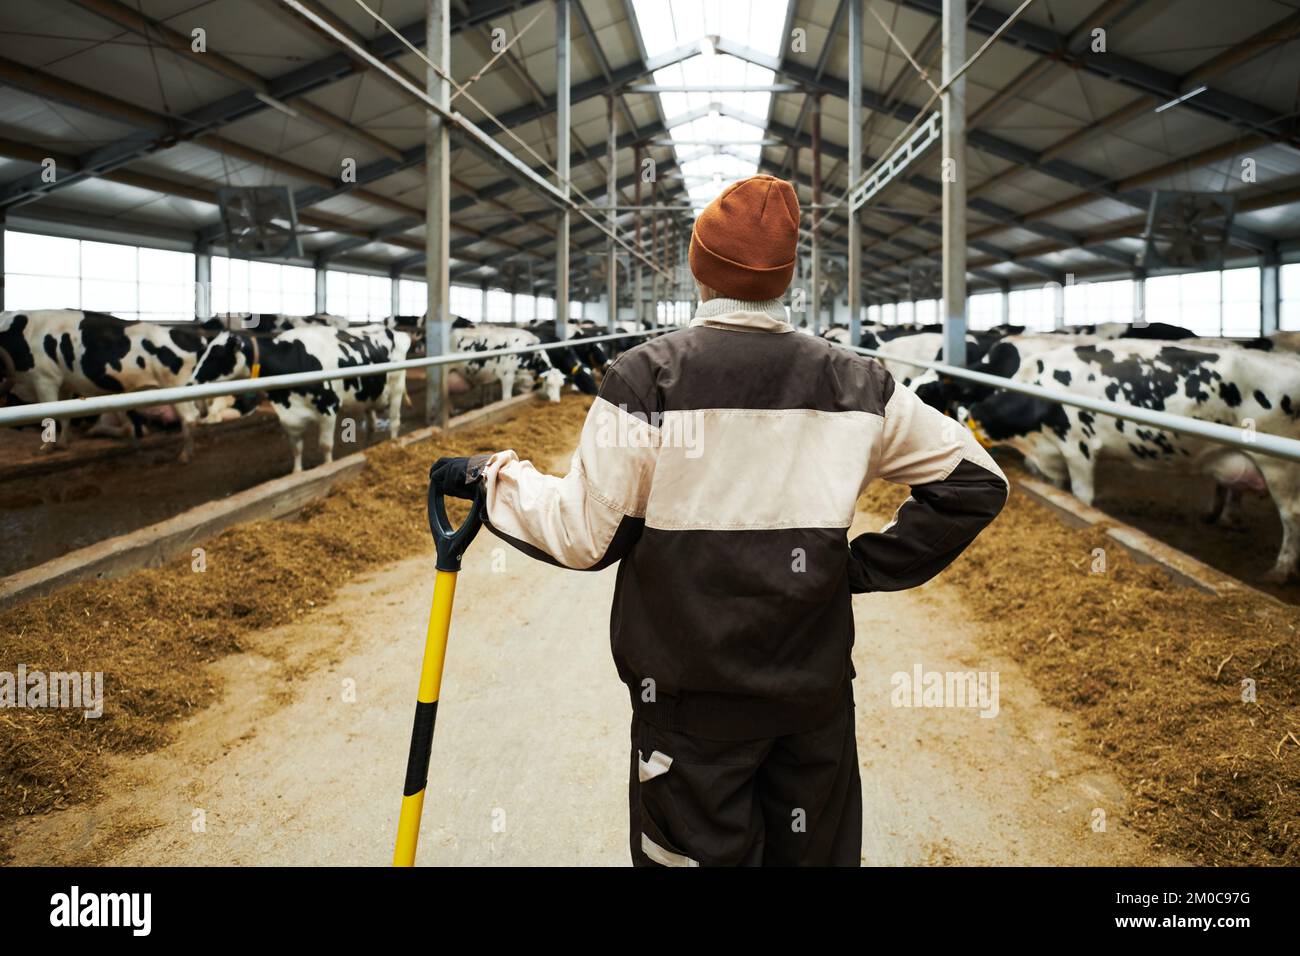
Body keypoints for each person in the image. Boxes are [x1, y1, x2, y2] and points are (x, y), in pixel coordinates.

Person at [431, 174, 1008, 867]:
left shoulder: (647, 380)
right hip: (812, 698)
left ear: (698, 269)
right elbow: (977, 481)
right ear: (786, 280)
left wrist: (489, 477)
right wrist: (857, 569)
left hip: (689, 705)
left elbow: (582, 538)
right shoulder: (860, 384)